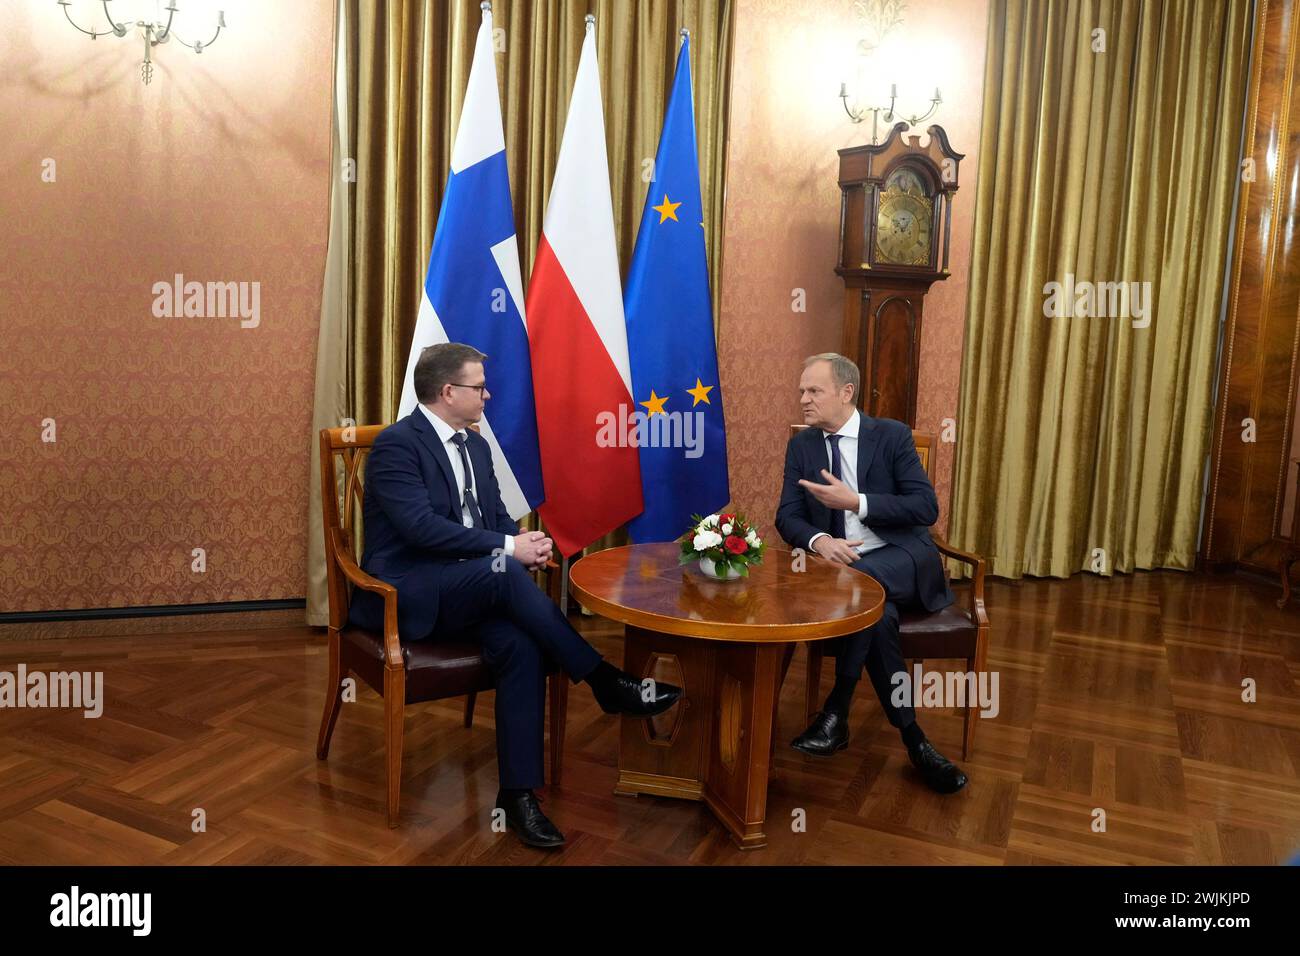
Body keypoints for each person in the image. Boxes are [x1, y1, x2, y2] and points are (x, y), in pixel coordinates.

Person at [348, 342, 682, 847]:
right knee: (506, 569)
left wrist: (528, 541)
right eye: (479, 387)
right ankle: (603, 680)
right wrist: (509, 547)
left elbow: (498, 519)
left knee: (521, 647)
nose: (488, 395)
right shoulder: (399, 445)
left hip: (477, 587)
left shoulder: (478, 445)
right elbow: (419, 530)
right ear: (447, 392)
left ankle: (518, 795)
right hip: (411, 592)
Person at [775, 352, 968, 794]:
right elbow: (786, 516)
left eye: (813, 390)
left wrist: (856, 503)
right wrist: (820, 542)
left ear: (846, 392)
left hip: (901, 556)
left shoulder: (892, 437)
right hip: (844, 573)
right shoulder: (802, 445)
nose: (803, 399)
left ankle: (837, 710)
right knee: (877, 616)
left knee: (863, 583)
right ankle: (916, 741)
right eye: (801, 390)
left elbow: (926, 508)